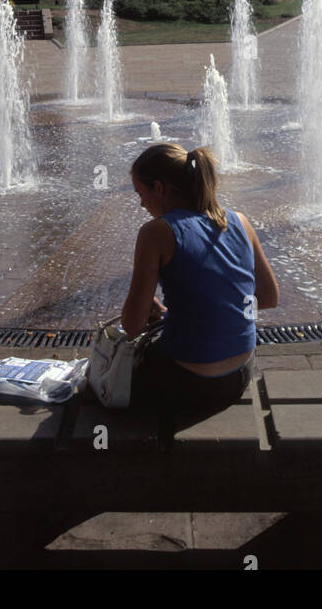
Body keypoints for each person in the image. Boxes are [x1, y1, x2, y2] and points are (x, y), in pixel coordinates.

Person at [120, 143, 279, 410]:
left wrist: (146, 308)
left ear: (159, 188)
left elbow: (132, 326)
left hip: (185, 381)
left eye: (141, 193)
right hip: (240, 373)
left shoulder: (156, 232)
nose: (141, 203)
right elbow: (269, 297)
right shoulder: (240, 221)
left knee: (108, 373)